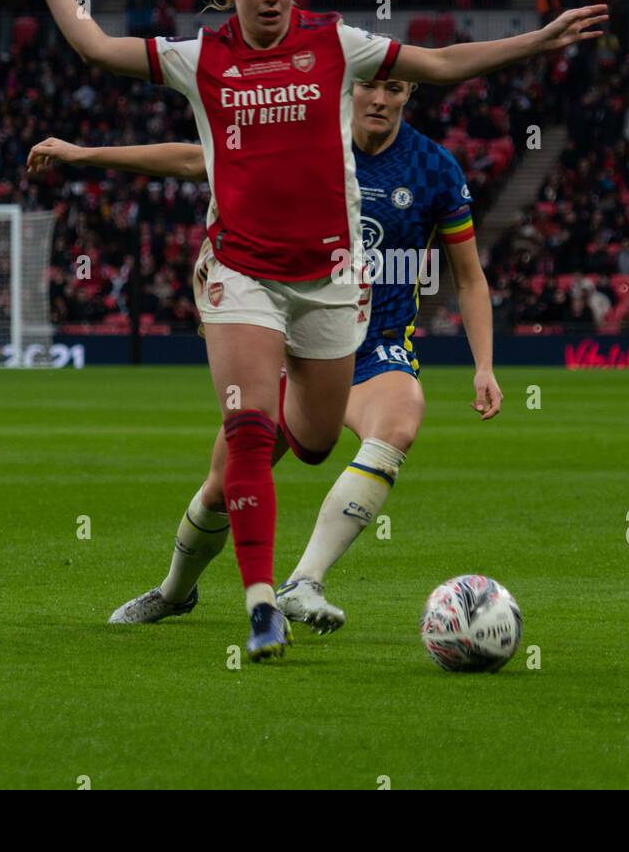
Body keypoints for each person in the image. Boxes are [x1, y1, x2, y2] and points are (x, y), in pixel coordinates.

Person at [11, 0, 605, 660]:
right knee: (249, 433)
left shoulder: (337, 47)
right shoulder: (201, 59)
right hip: (238, 272)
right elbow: (94, 46)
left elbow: (445, 61)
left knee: (309, 445)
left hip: (327, 285)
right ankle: (260, 603)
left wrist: (537, 40)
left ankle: (191, 585)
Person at [29, 73, 503, 634]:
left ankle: (304, 581)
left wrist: (483, 367)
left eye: (395, 88)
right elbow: (194, 158)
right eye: (368, 87)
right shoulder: (306, 143)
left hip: (374, 348)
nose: (380, 99)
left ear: (409, 94)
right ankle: (175, 591)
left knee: (399, 422)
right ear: (347, 88)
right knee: (220, 489)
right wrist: (85, 154)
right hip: (289, 344)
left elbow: (469, 280)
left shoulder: (433, 170)